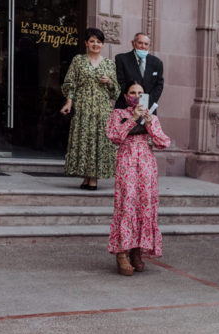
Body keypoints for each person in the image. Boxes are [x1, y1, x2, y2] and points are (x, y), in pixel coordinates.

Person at [106, 82, 171, 276]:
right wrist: (132, 119)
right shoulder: (119, 114)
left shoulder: (150, 115)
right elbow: (113, 135)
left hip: (146, 163)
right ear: (126, 96)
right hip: (127, 160)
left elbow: (163, 142)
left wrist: (150, 123)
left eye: (140, 93)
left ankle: (136, 250)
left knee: (144, 204)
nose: (136, 95)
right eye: (132, 92)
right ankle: (121, 253)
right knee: (126, 204)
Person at [60, 27, 119, 190]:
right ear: (86, 43)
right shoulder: (78, 60)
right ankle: (86, 177)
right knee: (85, 140)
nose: (95, 44)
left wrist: (109, 82)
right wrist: (68, 102)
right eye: (92, 41)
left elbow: (117, 91)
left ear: (103, 44)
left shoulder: (109, 63)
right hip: (83, 105)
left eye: (99, 42)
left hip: (102, 107)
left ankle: (94, 179)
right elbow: (70, 82)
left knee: (98, 141)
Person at [114, 33, 164, 111]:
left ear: (149, 45)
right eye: (140, 43)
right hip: (125, 108)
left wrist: (146, 102)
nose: (143, 46)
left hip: (147, 109)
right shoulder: (121, 59)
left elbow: (159, 86)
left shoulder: (157, 63)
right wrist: (133, 101)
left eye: (146, 44)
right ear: (133, 43)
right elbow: (120, 82)